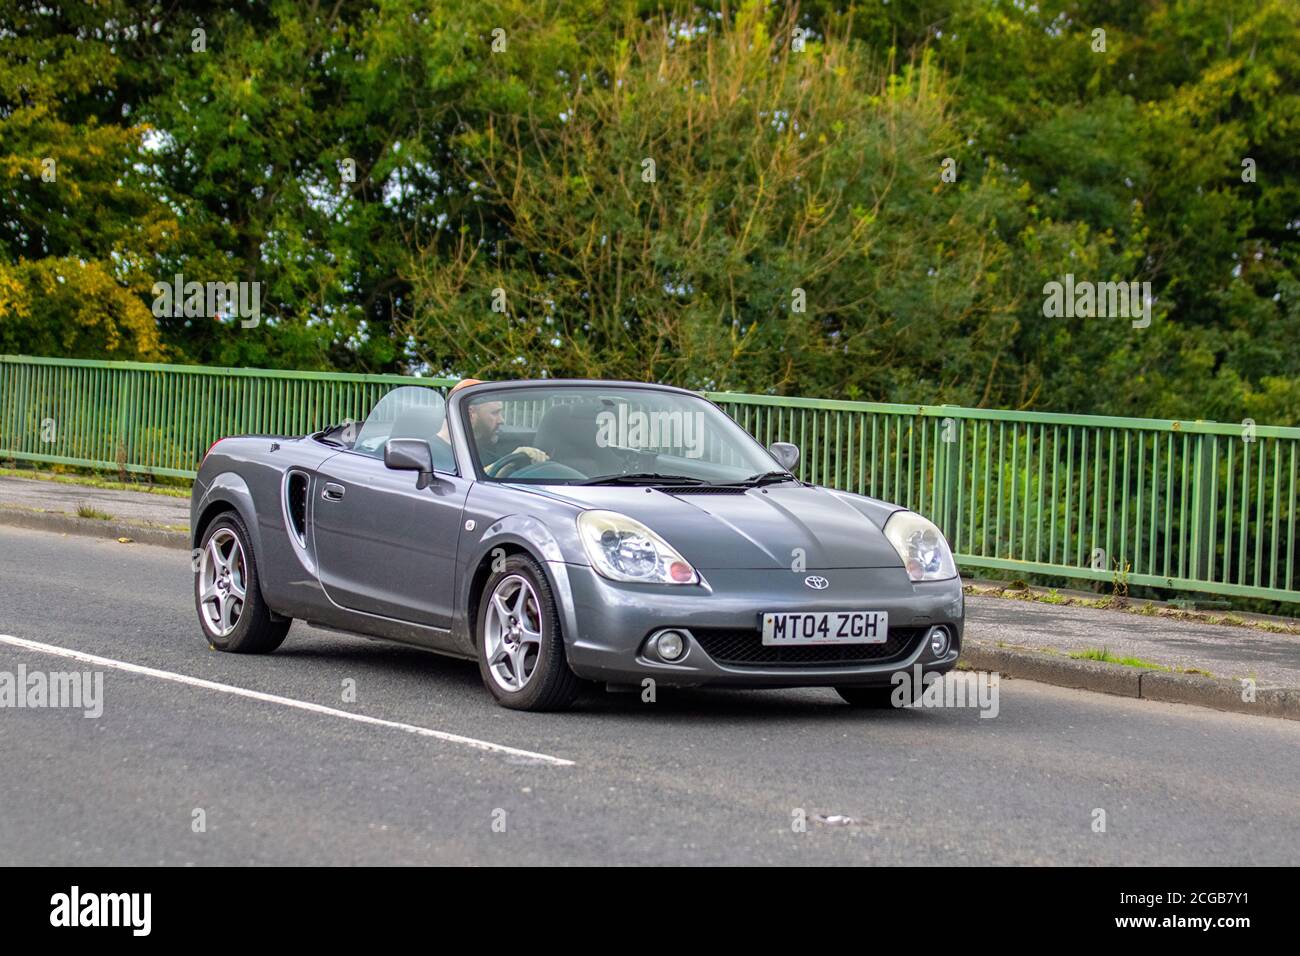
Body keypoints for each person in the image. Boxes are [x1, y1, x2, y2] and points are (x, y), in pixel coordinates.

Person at [433, 379, 548, 474]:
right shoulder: (431, 455)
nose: (502, 420)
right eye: (495, 413)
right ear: (470, 414)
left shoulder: (481, 451)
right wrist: (509, 461)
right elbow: (459, 484)